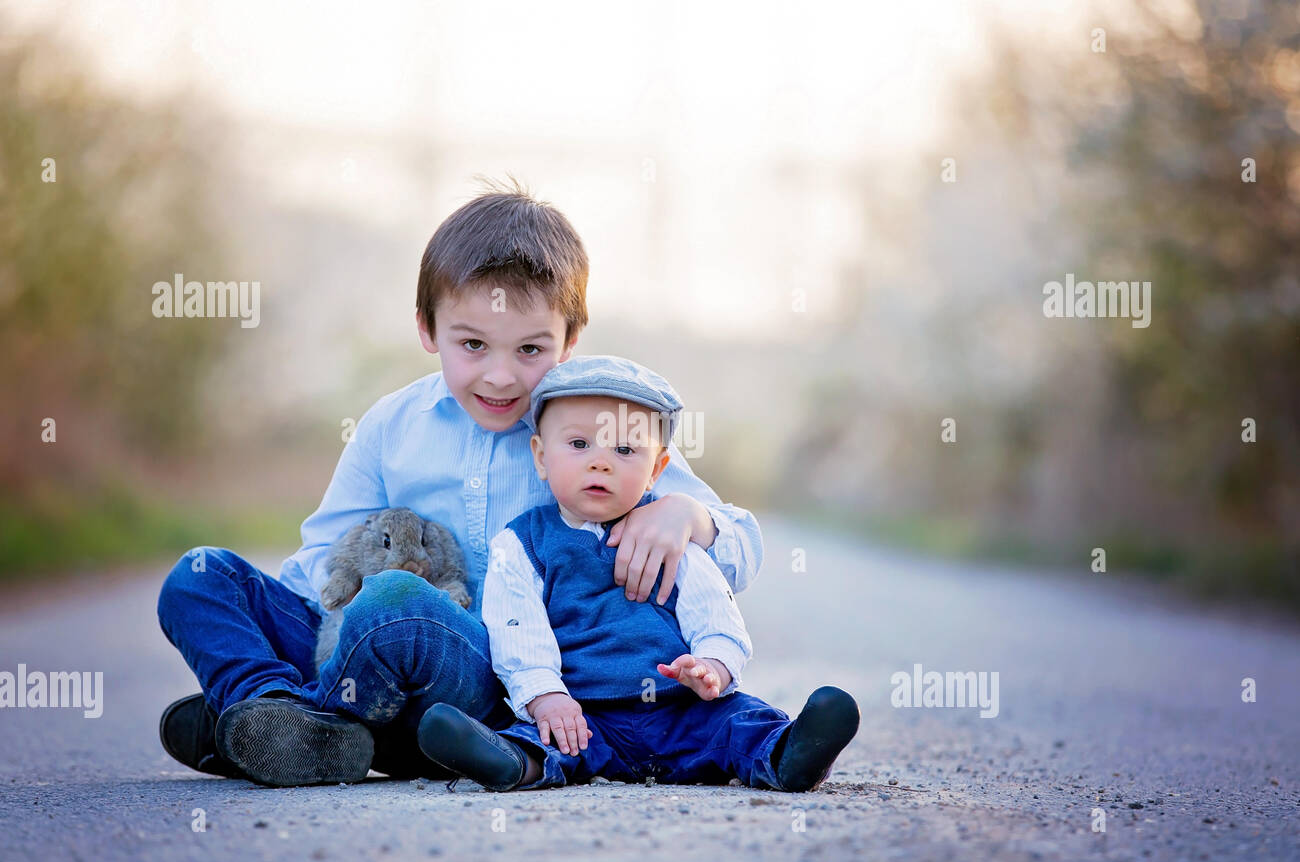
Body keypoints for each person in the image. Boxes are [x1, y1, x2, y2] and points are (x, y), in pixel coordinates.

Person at [155, 184, 764, 787]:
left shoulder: (592, 429)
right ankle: (273, 710)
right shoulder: (391, 427)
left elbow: (740, 547)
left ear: (570, 341)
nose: (500, 375)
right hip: (366, 647)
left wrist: (687, 515)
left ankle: (291, 722)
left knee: (397, 601)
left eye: (531, 349)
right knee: (201, 578)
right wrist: (339, 615)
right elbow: (321, 558)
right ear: (428, 329)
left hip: (492, 677)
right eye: (472, 344)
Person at [417, 356, 859, 791]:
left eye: (625, 450)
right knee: (548, 739)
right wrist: (544, 695)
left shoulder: (667, 533)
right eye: (578, 445)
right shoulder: (522, 545)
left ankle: (790, 756)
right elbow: (516, 628)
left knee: (739, 722)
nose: (600, 462)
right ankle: (510, 762)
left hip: (682, 711)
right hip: (586, 715)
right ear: (540, 456)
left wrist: (713, 666)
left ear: (657, 469)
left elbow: (713, 609)